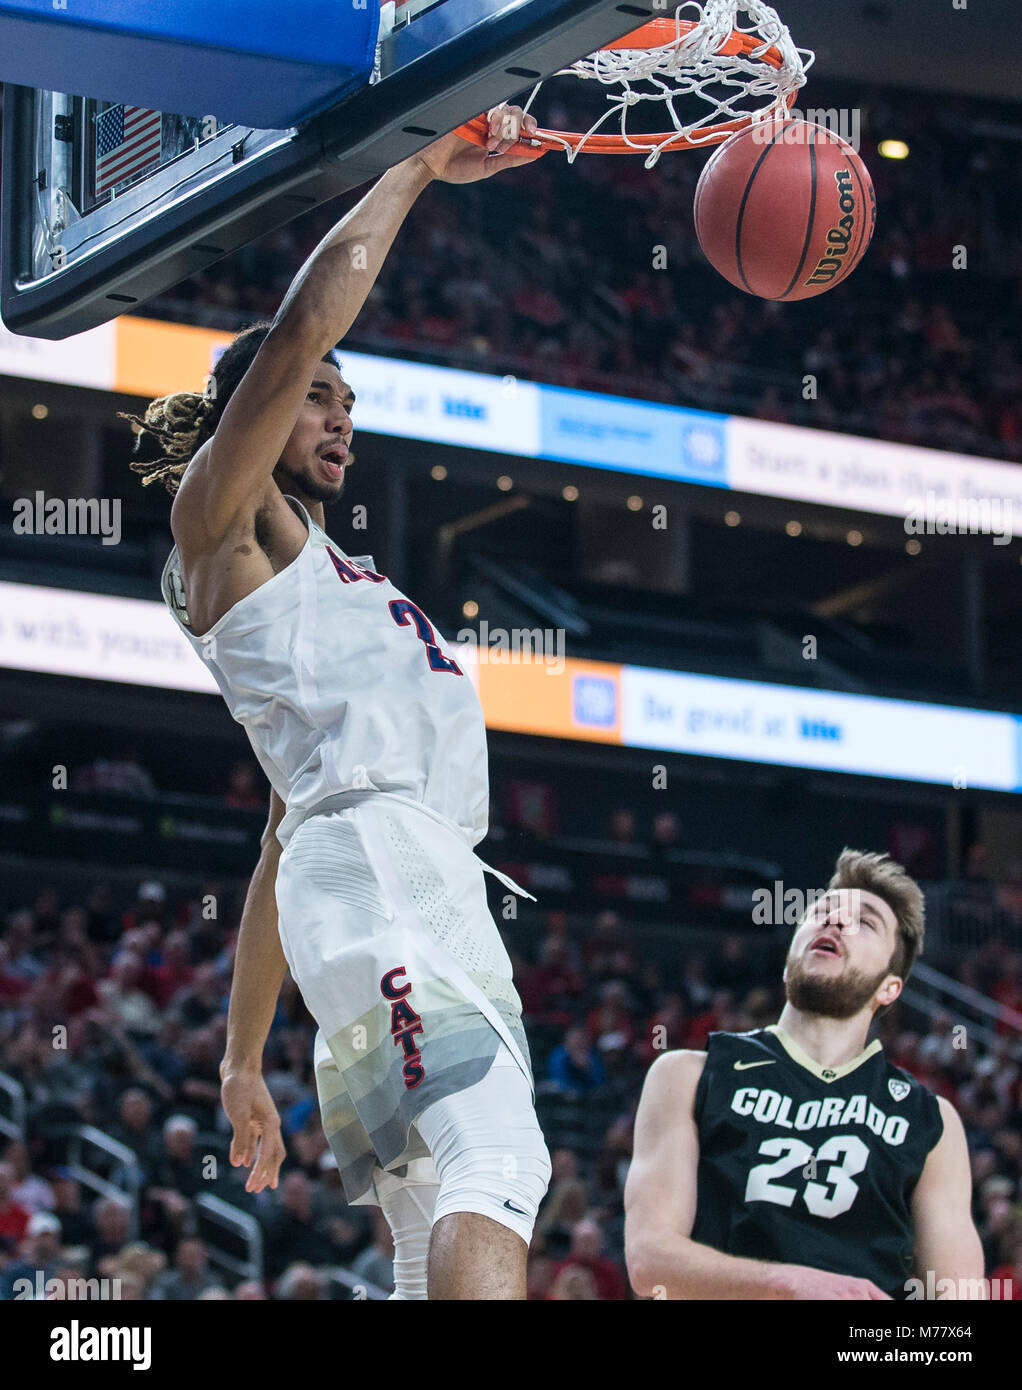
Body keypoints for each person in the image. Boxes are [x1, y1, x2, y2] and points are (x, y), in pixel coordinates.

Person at [121, 106, 550, 1301]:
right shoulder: (220, 525)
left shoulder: (329, 586)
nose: (339, 418)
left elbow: (277, 843)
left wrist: (239, 1059)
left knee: (426, 1220)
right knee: (496, 1158)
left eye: (348, 406)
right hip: (386, 870)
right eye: (317, 398)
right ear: (249, 410)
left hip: (367, 874)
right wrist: (416, 165)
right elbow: (308, 317)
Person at [624, 849, 985, 1300]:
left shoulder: (930, 1121)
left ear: (890, 987)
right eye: (822, 912)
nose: (833, 922)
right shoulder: (688, 1075)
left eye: (865, 922)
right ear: (790, 954)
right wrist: (787, 1282)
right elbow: (650, 1261)